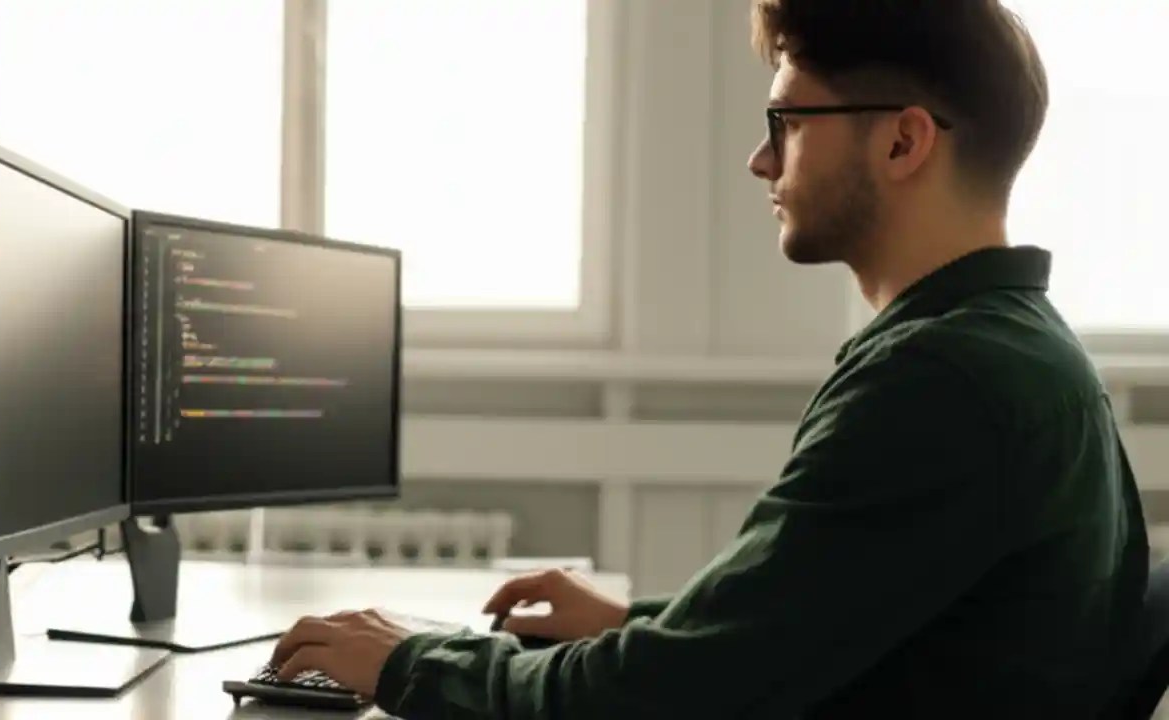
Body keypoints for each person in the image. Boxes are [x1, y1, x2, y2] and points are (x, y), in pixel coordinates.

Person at [269, 1, 1150, 716]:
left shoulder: (941, 382)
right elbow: (828, 617)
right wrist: (636, 620)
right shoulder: (1017, 347)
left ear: (902, 142)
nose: (761, 160)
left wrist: (411, 663)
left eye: (788, 121)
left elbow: (664, 700)